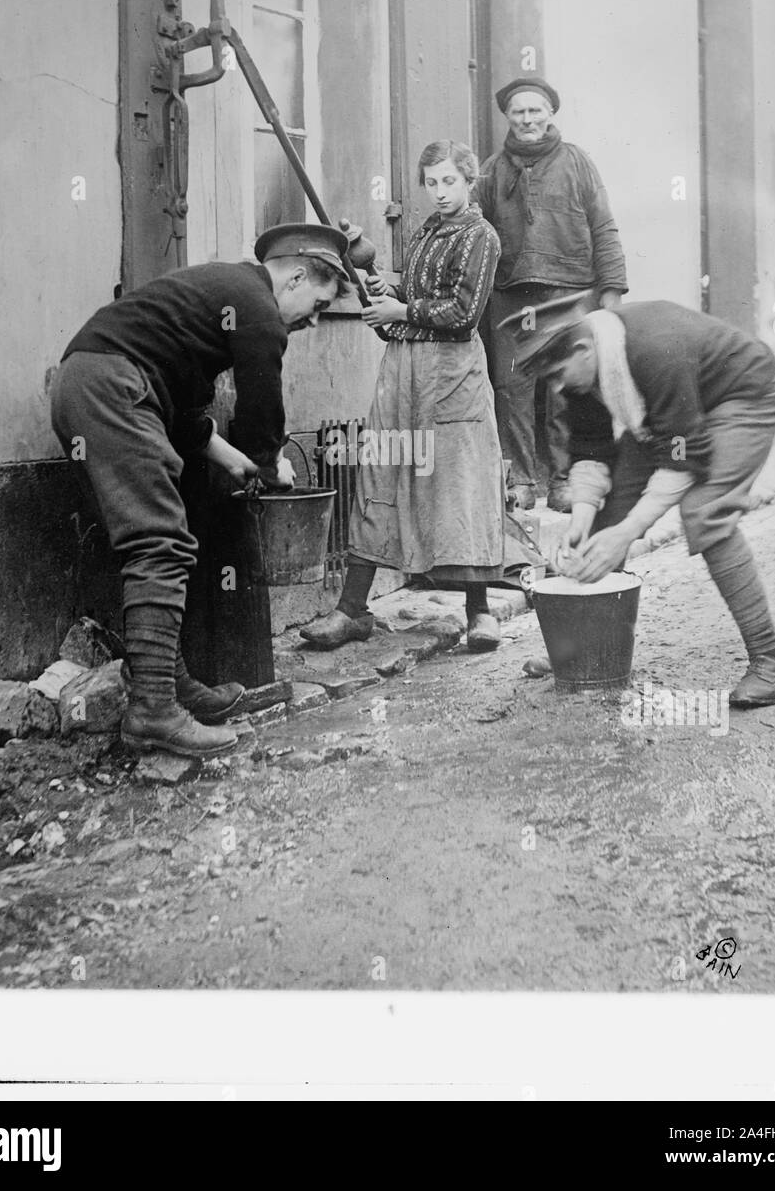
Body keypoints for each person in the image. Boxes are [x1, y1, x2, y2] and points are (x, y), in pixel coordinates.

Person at [50, 224, 352, 758]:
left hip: (95, 386)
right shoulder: (257, 305)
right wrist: (267, 460)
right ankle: (152, 713)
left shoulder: (224, 293)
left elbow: (184, 411)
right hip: (114, 389)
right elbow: (262, 401)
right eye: (318, 303)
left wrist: (232, 459)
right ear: (297, 276)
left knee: (163, 541)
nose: (314, 318)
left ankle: (170, 686)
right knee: (158, 544)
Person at [504, 291, 775, 708]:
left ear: (584, 350)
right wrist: (583, 520)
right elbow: (591, 449)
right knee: (609, 509)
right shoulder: (585, 364)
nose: (557, 386)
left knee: (704, 511)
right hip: (675, 414)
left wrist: (628, 533)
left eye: (557, 374)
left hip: (740, 396)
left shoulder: (656, 351)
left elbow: (682, 457)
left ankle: (772, 662)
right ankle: (582, 648)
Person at [300, 140, 506, 653]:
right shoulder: (423, 235)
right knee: (381, 471)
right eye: (431, 183)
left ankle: (479, 612)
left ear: (468, 181)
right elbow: (401, 316)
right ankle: (351, 610)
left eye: (449, 182)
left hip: (453, 374)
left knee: (458, 484)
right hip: (403, 371)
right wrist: (382, 300)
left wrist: (401, 312)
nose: (439, 192)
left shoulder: (482, 237)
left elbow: (462, 315)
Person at [476, 75, 628, 512]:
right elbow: (476, 232)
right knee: (511, 385)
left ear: (550, 114)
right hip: (511, 293)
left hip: (570, 291)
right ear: (507, 117)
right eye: (519, 112)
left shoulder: (578, 162)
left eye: (535, 111)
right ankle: (522, 481)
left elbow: (604, 225)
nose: (527, 120)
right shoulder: (491, 170)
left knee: (566, 387)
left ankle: (563, 481)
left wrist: (612, 290)